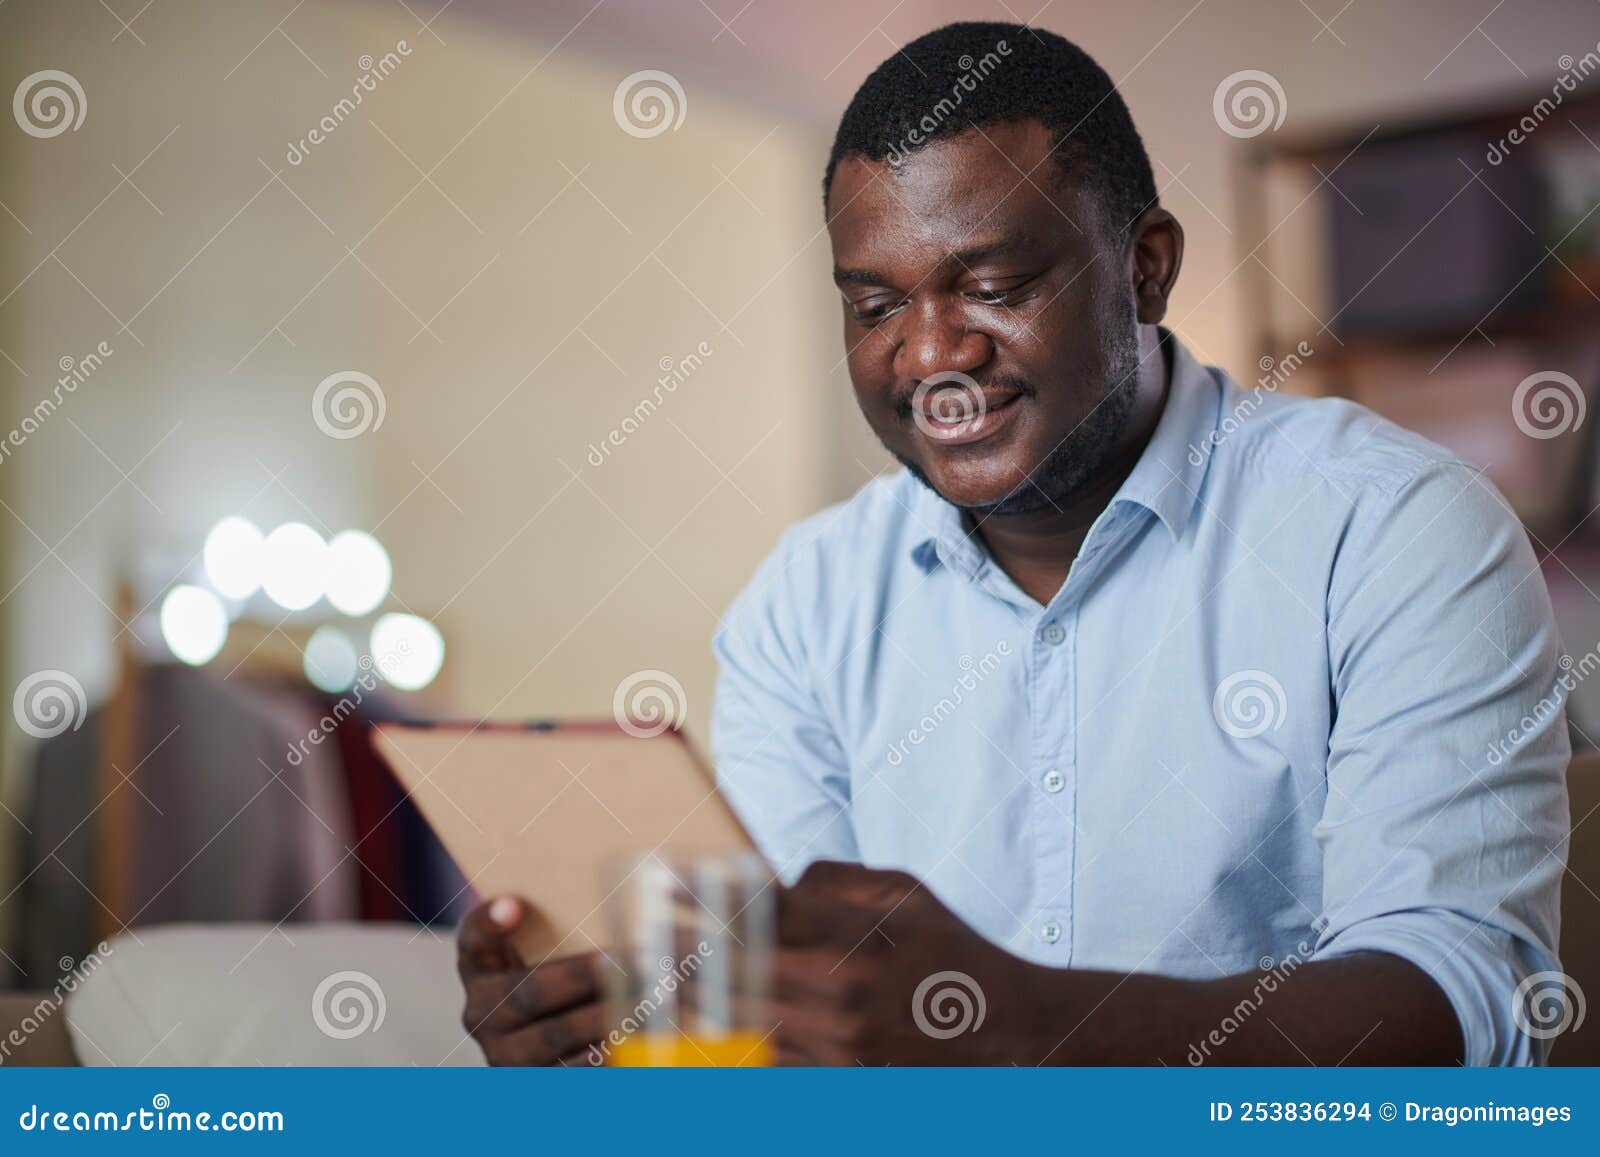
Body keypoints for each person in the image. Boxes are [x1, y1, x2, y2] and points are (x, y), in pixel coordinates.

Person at [458, 21, 1569, 1066]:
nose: (931, 352)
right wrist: (604, 1035)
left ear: (1146, 267)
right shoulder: (806, 599)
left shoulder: (1389, 527)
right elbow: (792, 1026)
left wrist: (1015, 1022)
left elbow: (1472, 1003)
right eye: (874, 307)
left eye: (992, 286)